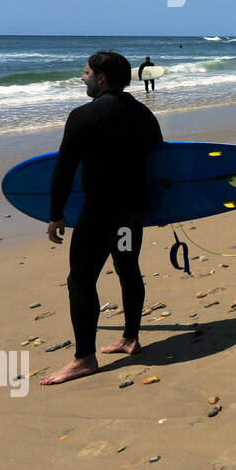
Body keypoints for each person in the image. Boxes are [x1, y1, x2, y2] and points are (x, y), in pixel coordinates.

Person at [42, 51, 163, 385]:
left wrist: (55, 214)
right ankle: (130, 338)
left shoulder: (84, 115)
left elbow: (64, 168)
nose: (83, 78)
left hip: (99, 214)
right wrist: (166, 209)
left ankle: (84, 358)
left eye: (86, 73)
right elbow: (161, 164)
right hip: (132, 212)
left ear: (102, 78)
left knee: (81, 280)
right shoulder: (143, 114)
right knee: (127, 268)